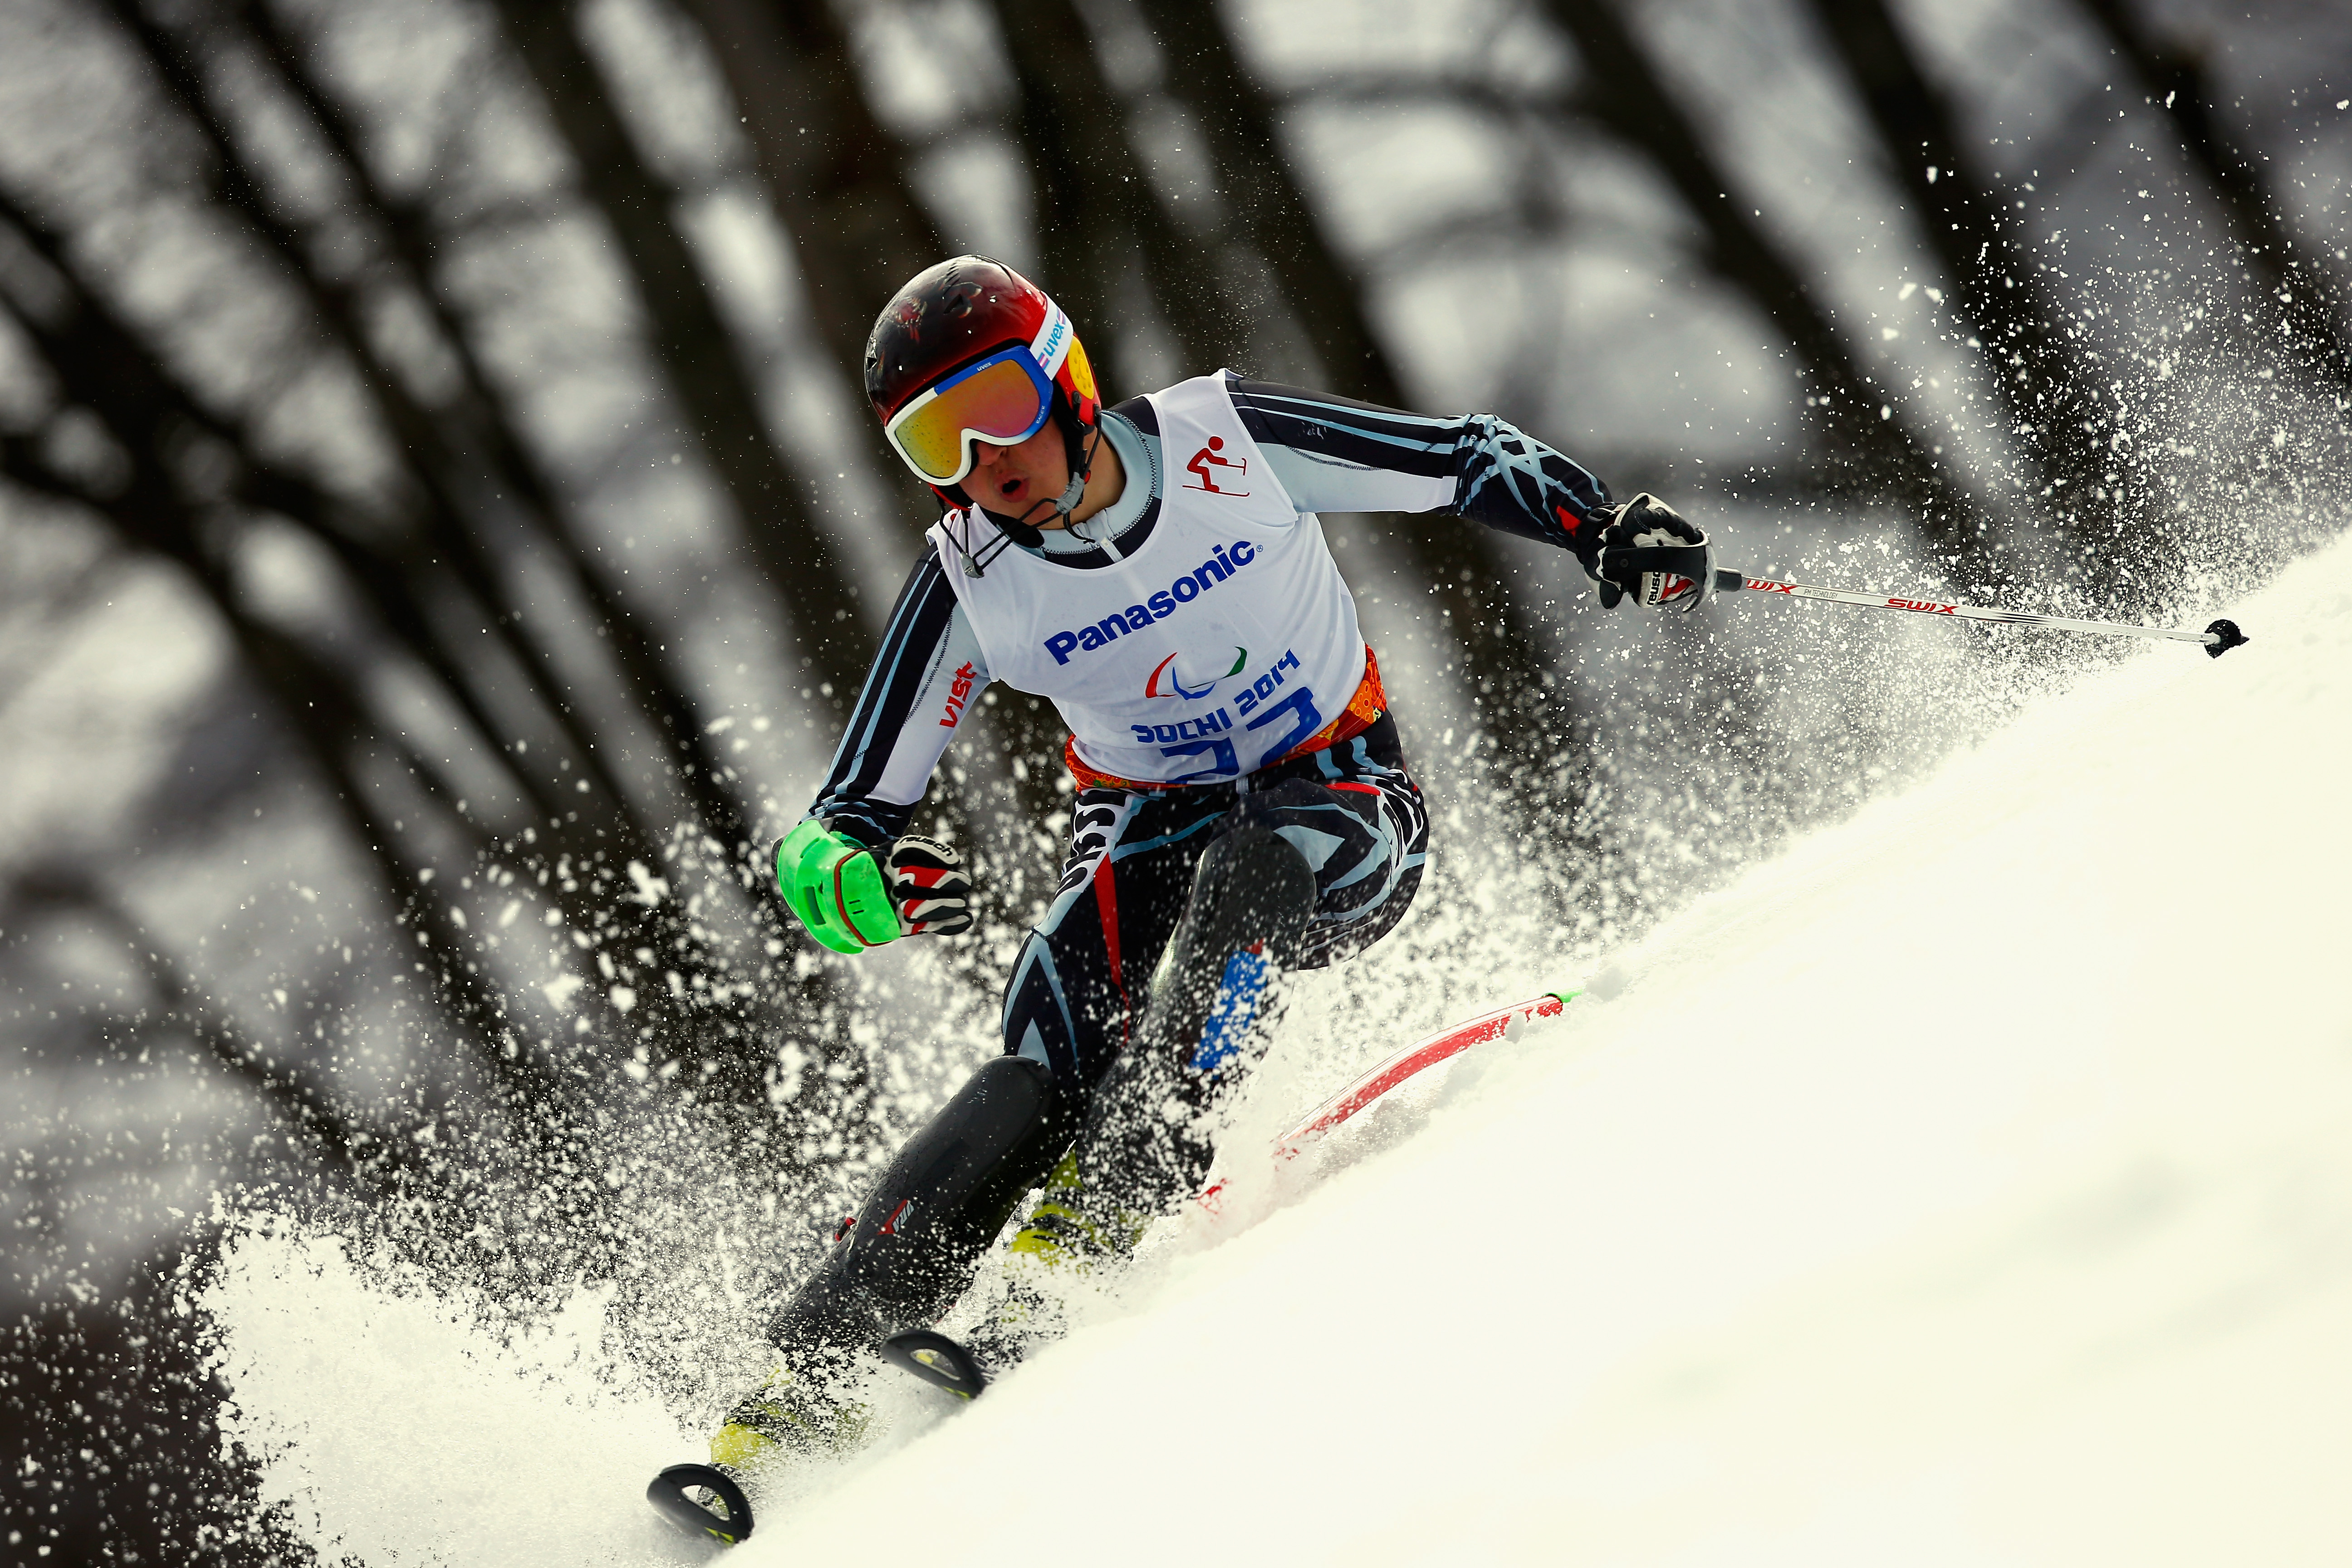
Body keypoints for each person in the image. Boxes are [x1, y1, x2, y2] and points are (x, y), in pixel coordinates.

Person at [712, 255, 1714, 1474]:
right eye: (937, 442)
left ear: (1064, 378)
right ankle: (804, 1375)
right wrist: (870, 885)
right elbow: (831, 838)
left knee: (1255, 868)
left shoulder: (1221, 440)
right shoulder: (972, 577)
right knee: (1042, 1059)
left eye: (998, 410)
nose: (986, 463)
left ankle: (1118, 1193)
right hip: (1142, 828)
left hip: (1343, 799)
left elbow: (1459, 455)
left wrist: (1597, 525)